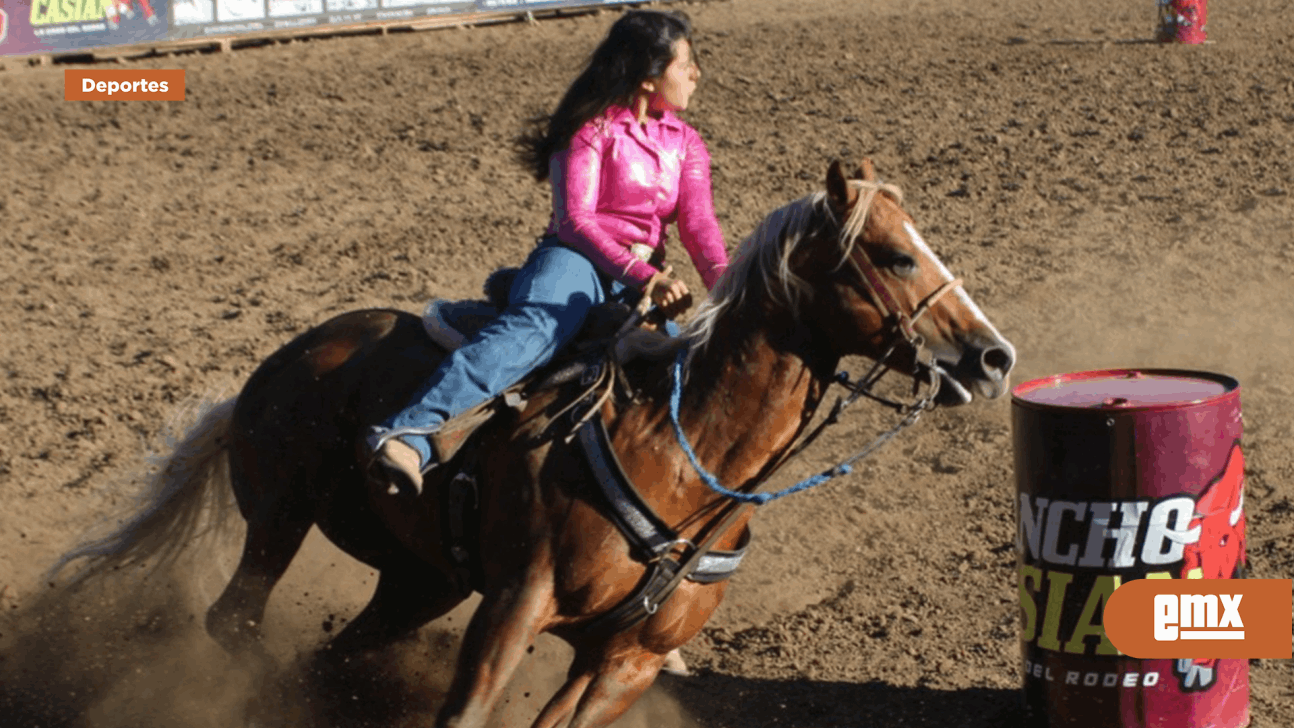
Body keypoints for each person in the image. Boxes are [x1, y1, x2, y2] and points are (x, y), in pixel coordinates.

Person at [366, 9, 729, 502]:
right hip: (574, 259)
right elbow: (575, 221)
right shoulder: (591, 128)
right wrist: (645, 276)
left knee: (675, 372)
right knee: (539, 326)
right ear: (648, 77)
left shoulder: (685, 144)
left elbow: (699, 224)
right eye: (686, 63)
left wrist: (729, 287)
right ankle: (409, 434)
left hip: (638, 278)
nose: (696, 74)